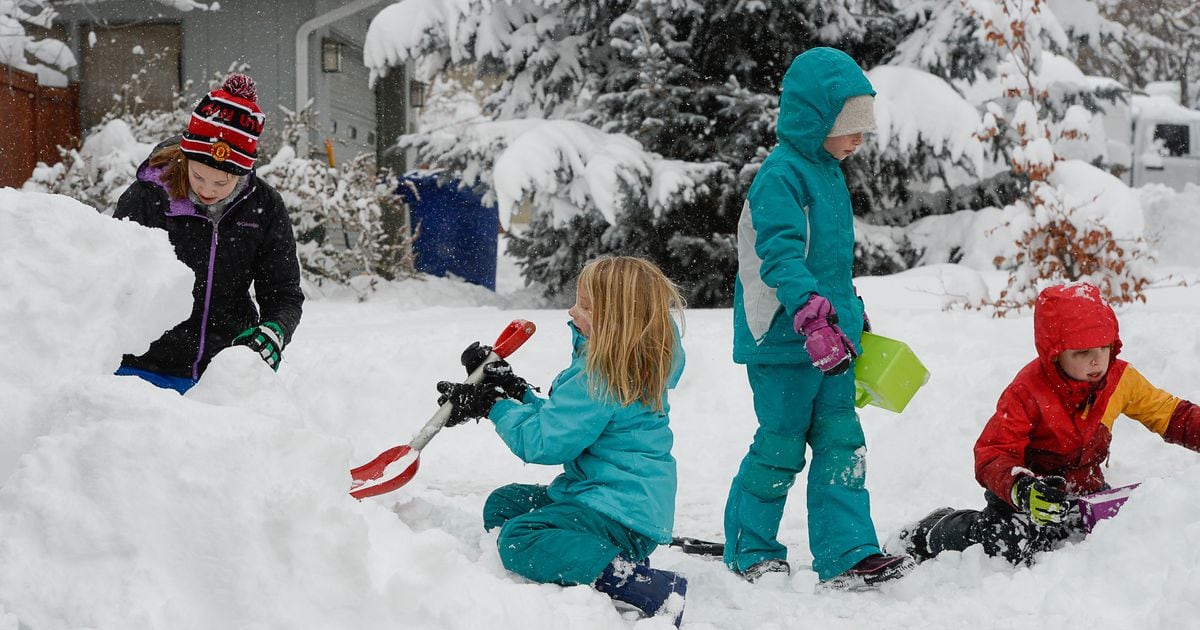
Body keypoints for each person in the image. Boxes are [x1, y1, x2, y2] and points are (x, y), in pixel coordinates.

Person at [723, 46, 915, 590]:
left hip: (832, 340)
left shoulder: (829, 173)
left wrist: (851, 316)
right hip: (783, 339)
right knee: (781, 443)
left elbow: (830, 262)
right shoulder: (781, 177)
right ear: (814, 118)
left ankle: (847, 550)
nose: (857, 139)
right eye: (848, 126)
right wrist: (810, 314)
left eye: (862, 128)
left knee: (841, 442)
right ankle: (751, 547)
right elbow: (781, 254)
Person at [435, 256, 688, 626]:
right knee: (505, 504)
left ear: (616, 322)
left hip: (618, 512)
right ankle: (600, 557)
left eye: (585, 306)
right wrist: (515, 390)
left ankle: (642, 585)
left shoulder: (599, 377)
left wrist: (492, 406)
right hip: (603, 499)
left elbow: (544, 443)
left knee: (518, 539)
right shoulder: (617, 366)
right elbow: (563, 420)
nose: (572, 310)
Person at [891, 282, 1200, 565]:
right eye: (1082, 353)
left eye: (1104, 348)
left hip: (1084, 490)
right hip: (1024, 498)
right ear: (1055, 354)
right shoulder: (1027, 391)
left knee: (1123, 532)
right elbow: (992, 453)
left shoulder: (1121, 379)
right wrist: (1023, 489)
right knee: (1007, 546)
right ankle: (936, 529)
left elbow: (1173, 416)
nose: (1097, 361)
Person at [112, 73, 303, 394]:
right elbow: (112, 278)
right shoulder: (147, 197)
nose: (208, 189)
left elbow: (283, 292)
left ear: (244, 172)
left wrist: (274, 330)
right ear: (185, 158)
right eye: (198, 176)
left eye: (223, 182)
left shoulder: (264, 207)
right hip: (139, 370)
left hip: (223, 376)